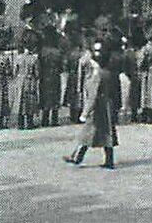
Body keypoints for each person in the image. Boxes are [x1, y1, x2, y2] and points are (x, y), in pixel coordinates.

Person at [65, 37, 118, 168]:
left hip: (97, 108)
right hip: (106, 107)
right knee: (106, 134)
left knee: (87, 133)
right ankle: (109, 160)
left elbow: (93, 95)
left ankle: (77, 157)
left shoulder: (96, 74)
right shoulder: (107, 71)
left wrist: (85, 112)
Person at [37, 27, 65, 128]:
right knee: (55, 97)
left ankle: (45, 119)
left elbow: (39, 66)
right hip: (55, 76)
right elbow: (62, 68)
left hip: (45, 76)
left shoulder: (42, 51)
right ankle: (54, 119)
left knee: (45, 96)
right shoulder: (58, 52)